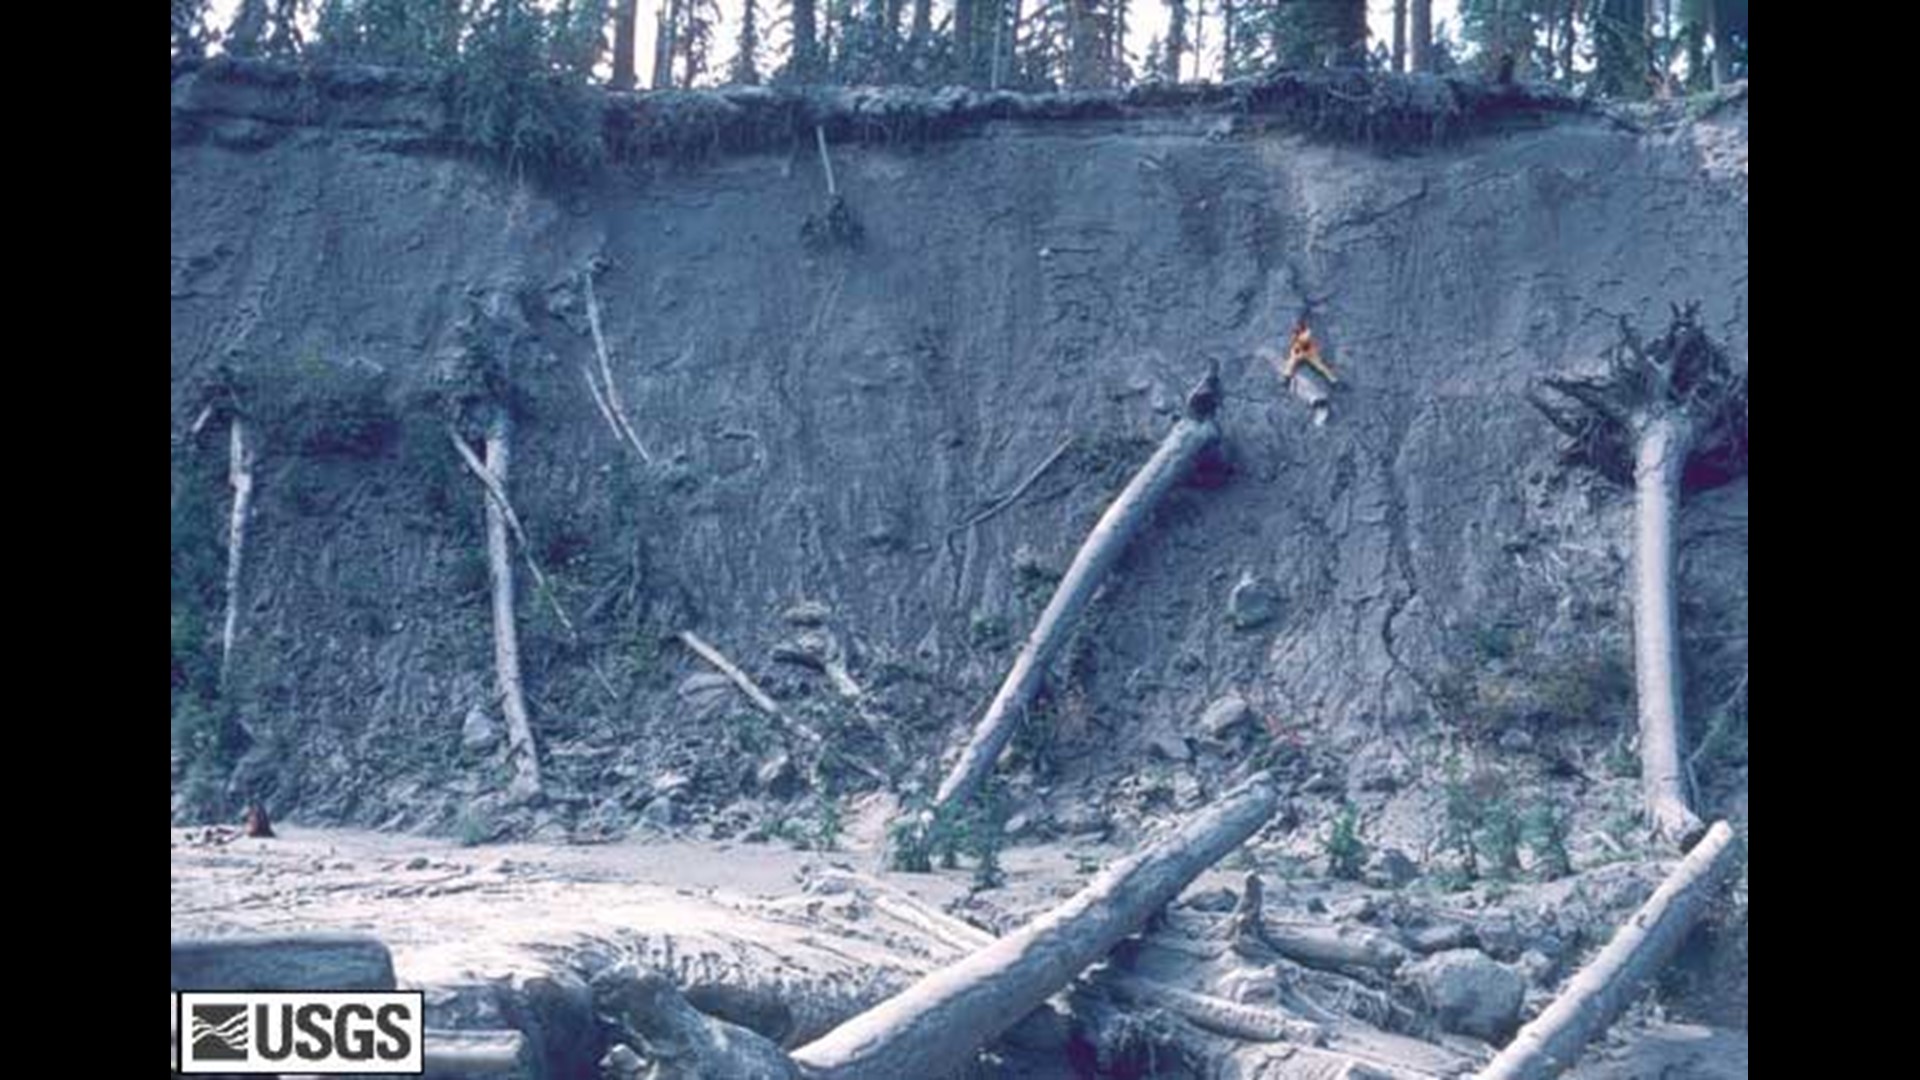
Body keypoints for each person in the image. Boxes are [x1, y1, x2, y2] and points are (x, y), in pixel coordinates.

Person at [1284, 318, 1340, 385]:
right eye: (1296, 327)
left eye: (1298, 327)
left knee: (1320, 365)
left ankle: (1332, 379)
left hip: (1309, 352)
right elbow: (1293, 344)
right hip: (1299, 351)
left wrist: (1296, 340)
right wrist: (1294, 351)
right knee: (1290, 363)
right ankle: (1286, 377)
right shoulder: (1295, 333)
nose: (1297, 328)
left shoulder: (1307, 333)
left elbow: (1304, 341)